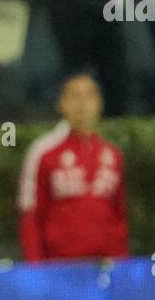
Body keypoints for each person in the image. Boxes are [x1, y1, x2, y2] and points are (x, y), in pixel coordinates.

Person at [18, 72, 129, 261]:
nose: (82, 104)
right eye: (74, 96)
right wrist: (36, 273)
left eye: (89, 96)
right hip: (60, 268)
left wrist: (121, 267)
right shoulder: (44, 152)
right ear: (61, 104)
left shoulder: (112, 155)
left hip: (103, 268)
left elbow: (119, 216)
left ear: (99, 104)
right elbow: (30, 216)